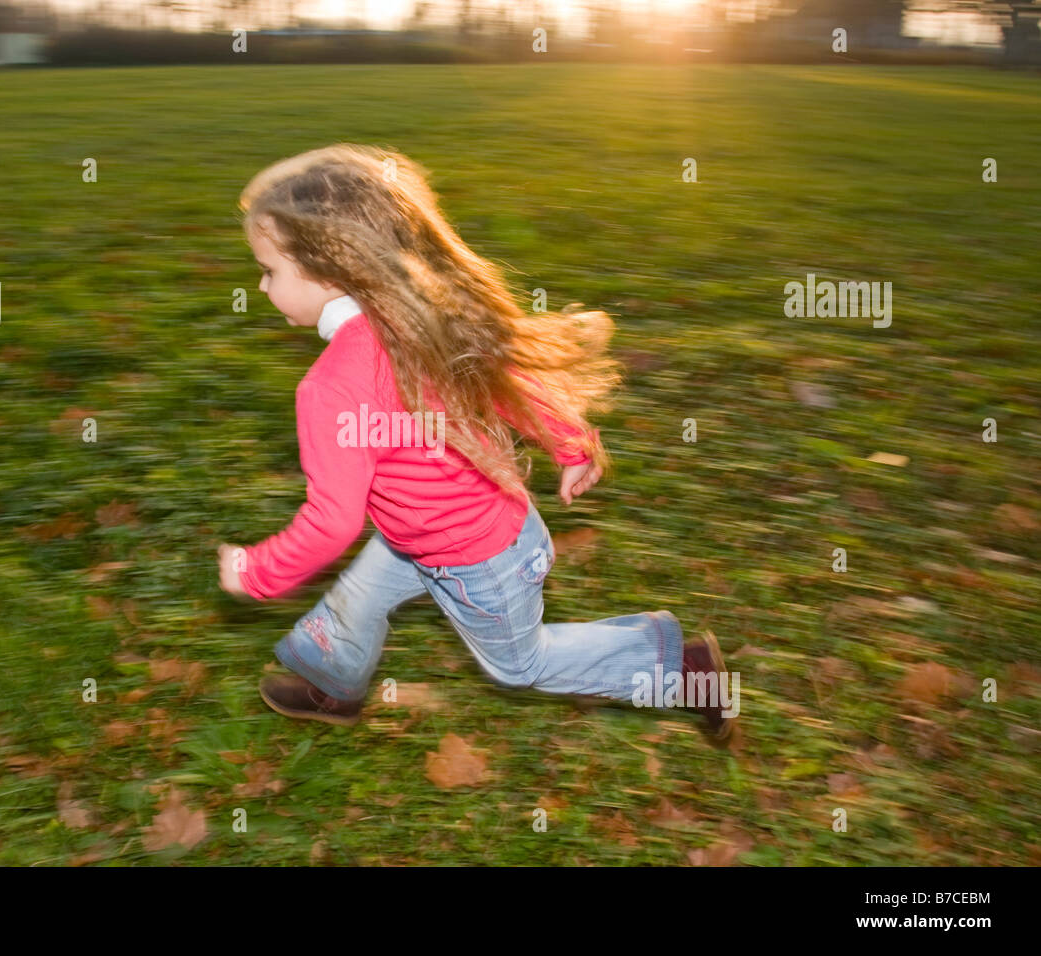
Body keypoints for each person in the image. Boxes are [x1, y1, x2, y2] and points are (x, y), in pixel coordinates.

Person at [217, 144, 734, 746]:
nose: (261, 284)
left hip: (476, 562)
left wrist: (258, 572)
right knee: (360, 592)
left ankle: (685, 669)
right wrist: (570, 442)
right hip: (447, 528)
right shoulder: (418, 320)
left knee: (521, 664)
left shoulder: (330, 387)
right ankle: (334, 682)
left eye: (271, 271)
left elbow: (332, 522)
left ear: (329, 273)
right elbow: (505, 379)